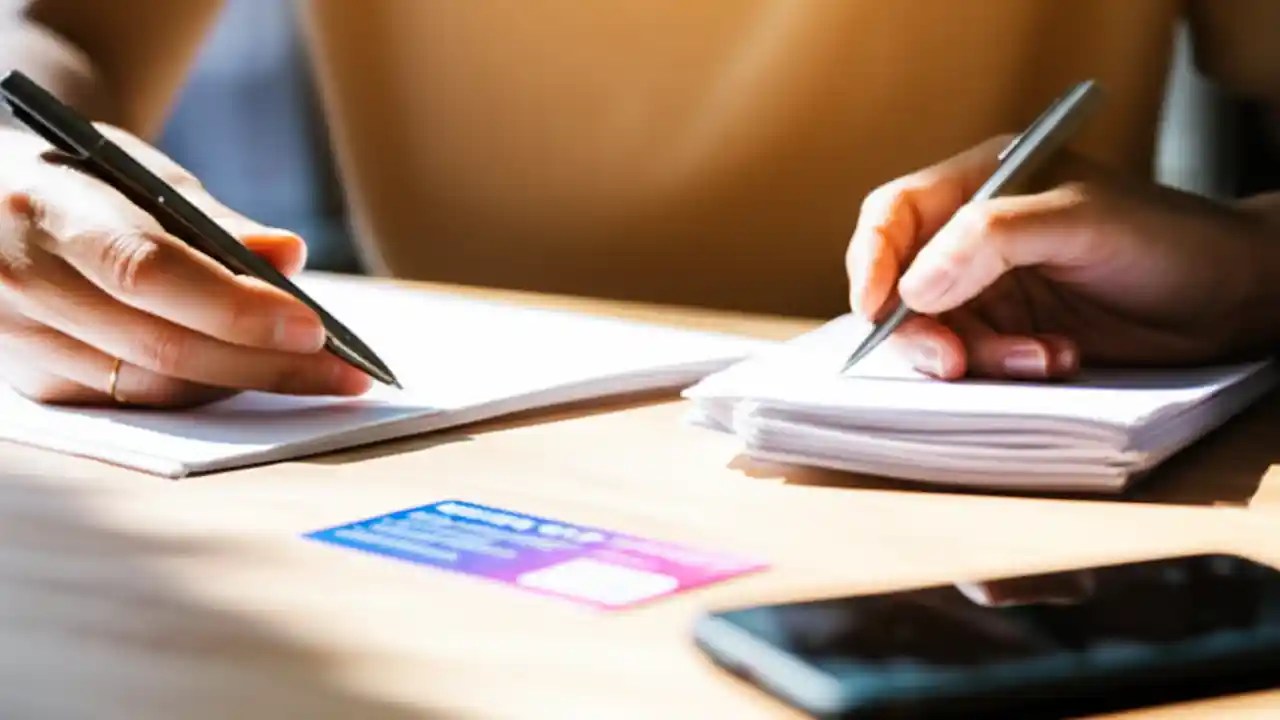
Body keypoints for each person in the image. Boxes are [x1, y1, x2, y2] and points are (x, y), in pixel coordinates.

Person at [0, 1, 1277, 407]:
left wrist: (1257, 263)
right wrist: (21, 161)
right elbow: (56, 33)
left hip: (1004, 456)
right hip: (453, 451)